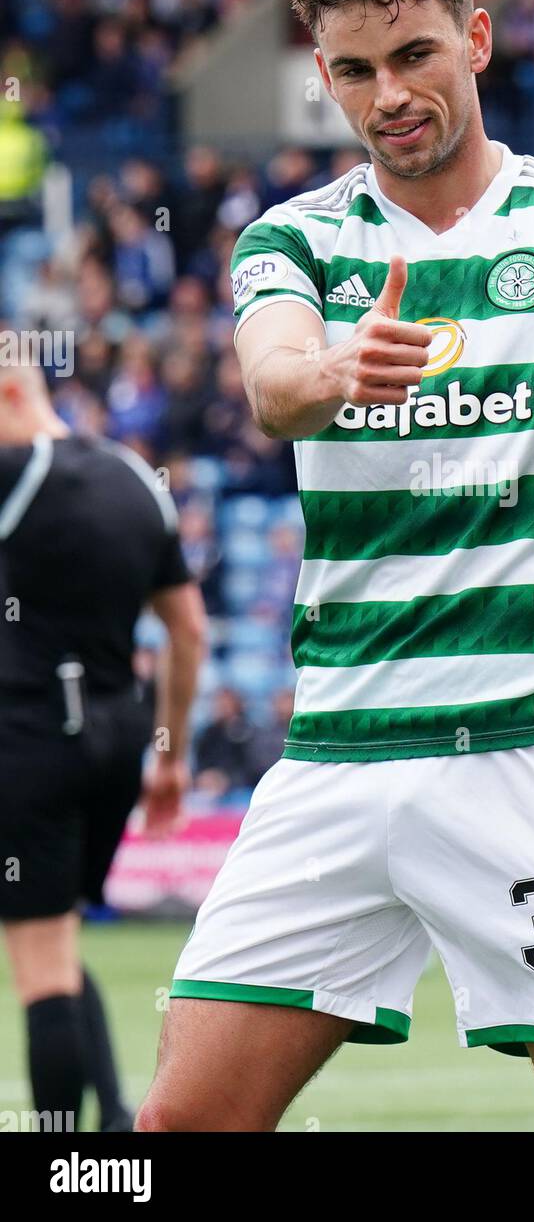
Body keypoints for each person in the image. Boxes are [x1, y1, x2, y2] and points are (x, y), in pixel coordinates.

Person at [137, 0, 534, 1134]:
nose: (389, 94)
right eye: (355, 70)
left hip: (532, 749)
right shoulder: (292, 239)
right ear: (323, 77)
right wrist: (333, 369)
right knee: (171, 1136)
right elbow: (272, 386)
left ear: (472, 38)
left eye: (413, 55)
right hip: (339, 755)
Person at [0, 360, 207, 1131]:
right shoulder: (132, 475)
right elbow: (187, 628)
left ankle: (64, 1164)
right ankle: (115, 1117)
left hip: (32, 732)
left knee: (41, 965)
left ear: (13, 389)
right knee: (54, 929)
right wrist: (173, 755)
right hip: (118, 739)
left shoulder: (20, 475)